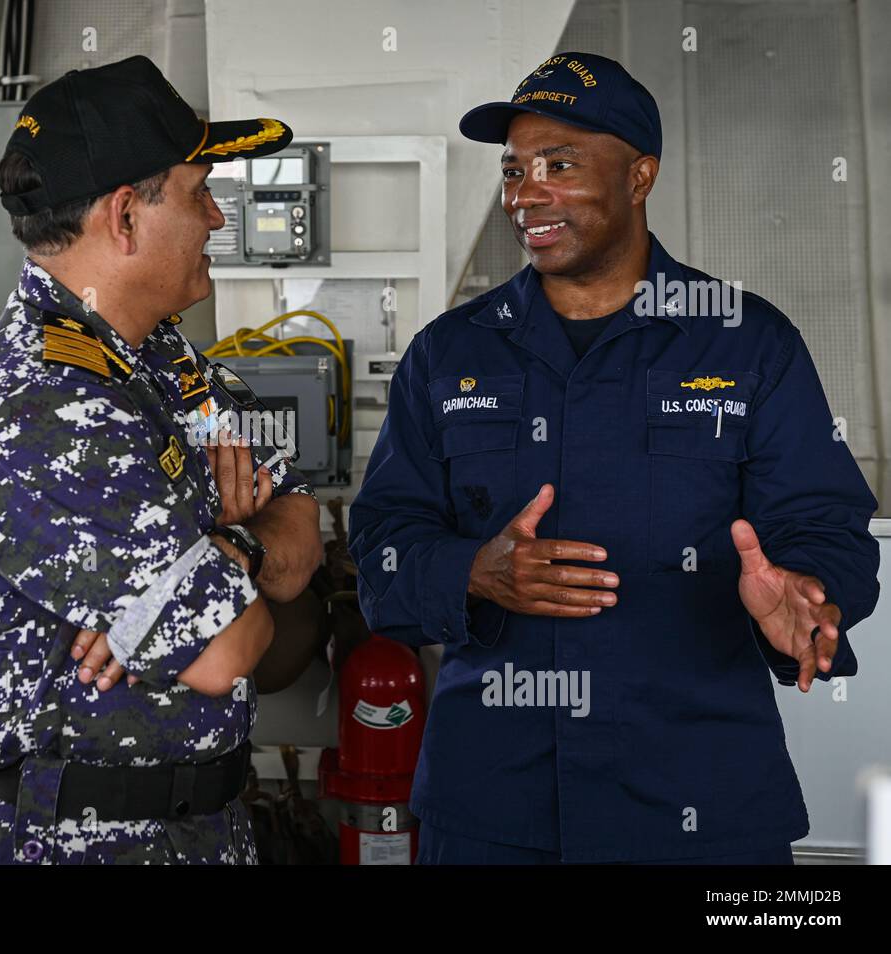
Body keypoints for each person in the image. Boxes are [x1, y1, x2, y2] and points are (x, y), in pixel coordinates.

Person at [349, 51, 879, 864]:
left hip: (698, 806)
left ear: (640, 177)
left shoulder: (747, 342)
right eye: (515, 170)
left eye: (559, 165)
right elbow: (382, 544)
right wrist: (473, 573)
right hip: (495, 810)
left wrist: (806, 595)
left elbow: (827, 524)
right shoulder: (448, 354)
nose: (526, 193)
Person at [0, 55, 323, 864]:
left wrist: (225, 552)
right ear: (124, 218)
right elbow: (227, 651)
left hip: (204, 826)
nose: (216, 217)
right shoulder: (35, 403)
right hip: (77, 842)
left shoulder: (157, 356)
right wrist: (233, 540)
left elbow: (303, 524)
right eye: (197, 191)